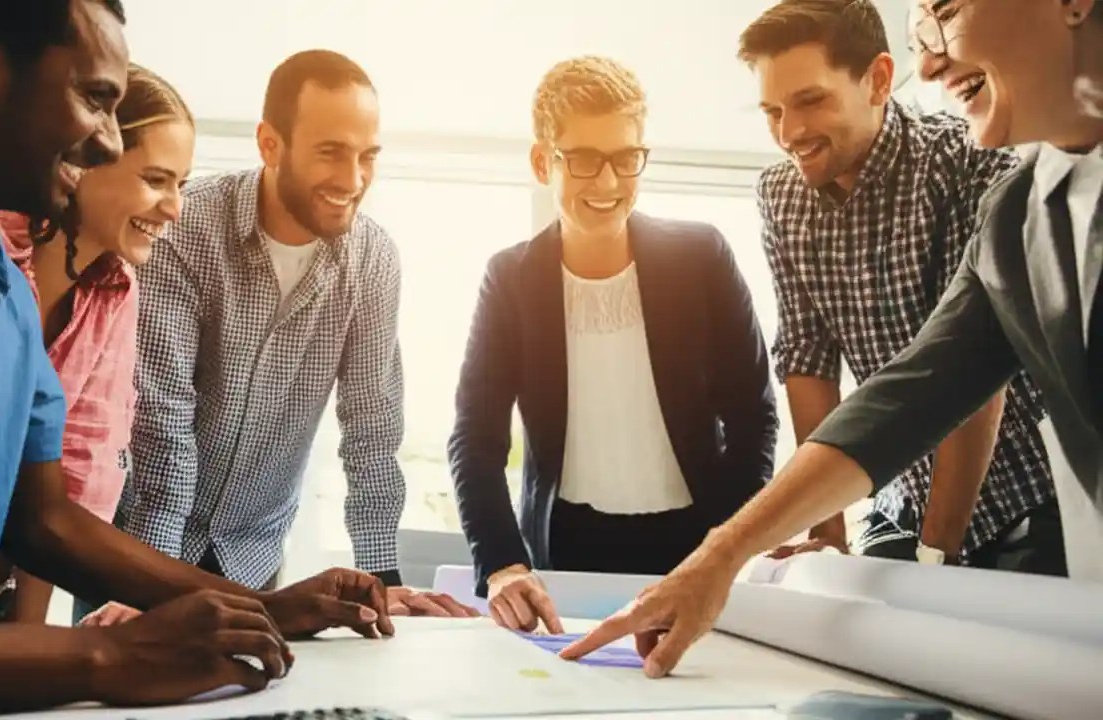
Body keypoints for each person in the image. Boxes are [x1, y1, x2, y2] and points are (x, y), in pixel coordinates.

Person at [0, 3, 396, 715]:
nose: (104, 144)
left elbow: (45, 521)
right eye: (95, 99)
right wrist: (104, 657)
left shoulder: (0, 291)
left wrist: (263, 605)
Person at [562, 0, 1103, 679]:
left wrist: (938, 556)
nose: (929, 64)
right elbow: (908, 396)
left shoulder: (967, 167)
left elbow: (965, 400)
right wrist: (723, 559)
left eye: (948, 11)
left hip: (1024, 508)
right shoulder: (1021, 213)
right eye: (921, 35)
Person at [118, 49, 475, 619]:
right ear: (270, 144)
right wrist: (143, 597)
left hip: (255, 560)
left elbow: (372, 427)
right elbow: (163, 429)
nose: (353, 179)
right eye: (331, 152)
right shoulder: (183, 233)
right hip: (138, 550)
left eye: (367, 157)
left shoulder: (373, 261)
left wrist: (381, 584)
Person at [449, 55, 778, 633]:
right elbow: (475, 441)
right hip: (566, 551)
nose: (607, 182)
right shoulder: (511, 279)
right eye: (582, 160)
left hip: (694, 545)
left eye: (626, 158)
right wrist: (503, 564)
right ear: (541, 161)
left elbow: (754, 420)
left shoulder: (701, 258)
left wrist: (725, 551)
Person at [746, 0, 1061, 572]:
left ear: (879, 80)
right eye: (772, 111)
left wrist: (936, 556)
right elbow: (807, 359)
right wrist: (828, 534)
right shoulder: (780, 196)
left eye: (810, 101)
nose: (789, 132)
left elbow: (968, 370)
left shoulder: (970, 160)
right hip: (902, 499)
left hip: (1028, 496)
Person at [0, 62, 196, 626]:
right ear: (84, 160)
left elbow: (76, 473)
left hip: (2, 575)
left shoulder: (116, 290)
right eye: (156, 180)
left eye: (182, 183)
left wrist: (27, 640)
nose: (175, 207)